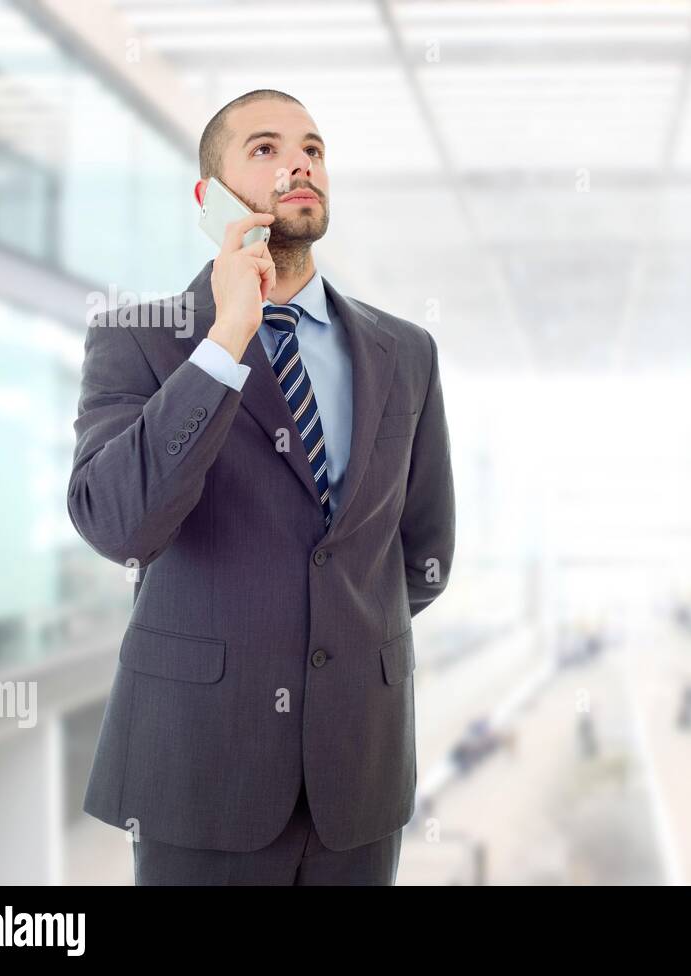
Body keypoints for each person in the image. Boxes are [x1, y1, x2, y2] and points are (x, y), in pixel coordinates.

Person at [67, 89, 456, 884]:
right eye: (266, 149)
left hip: (360, 775)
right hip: (203, 767)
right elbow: (117, 523)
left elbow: (422, 549)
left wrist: (333, 632)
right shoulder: (139, 340)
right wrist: (224, 342)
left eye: (312, 149)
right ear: (209, 200)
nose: (299, 164)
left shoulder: (405, 352)